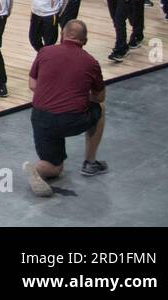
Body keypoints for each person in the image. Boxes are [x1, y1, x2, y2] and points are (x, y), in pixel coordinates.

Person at [22, 20, 107, 198]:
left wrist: (54, 91)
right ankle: (90, 163)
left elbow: (32, 84)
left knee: (55, 167)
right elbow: (99, 97)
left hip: (40, 117)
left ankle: (37, 169)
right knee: (100, 108)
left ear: (62, 34)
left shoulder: (45, 51)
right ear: (85, 41)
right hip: (71, 119)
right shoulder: (91, 62)